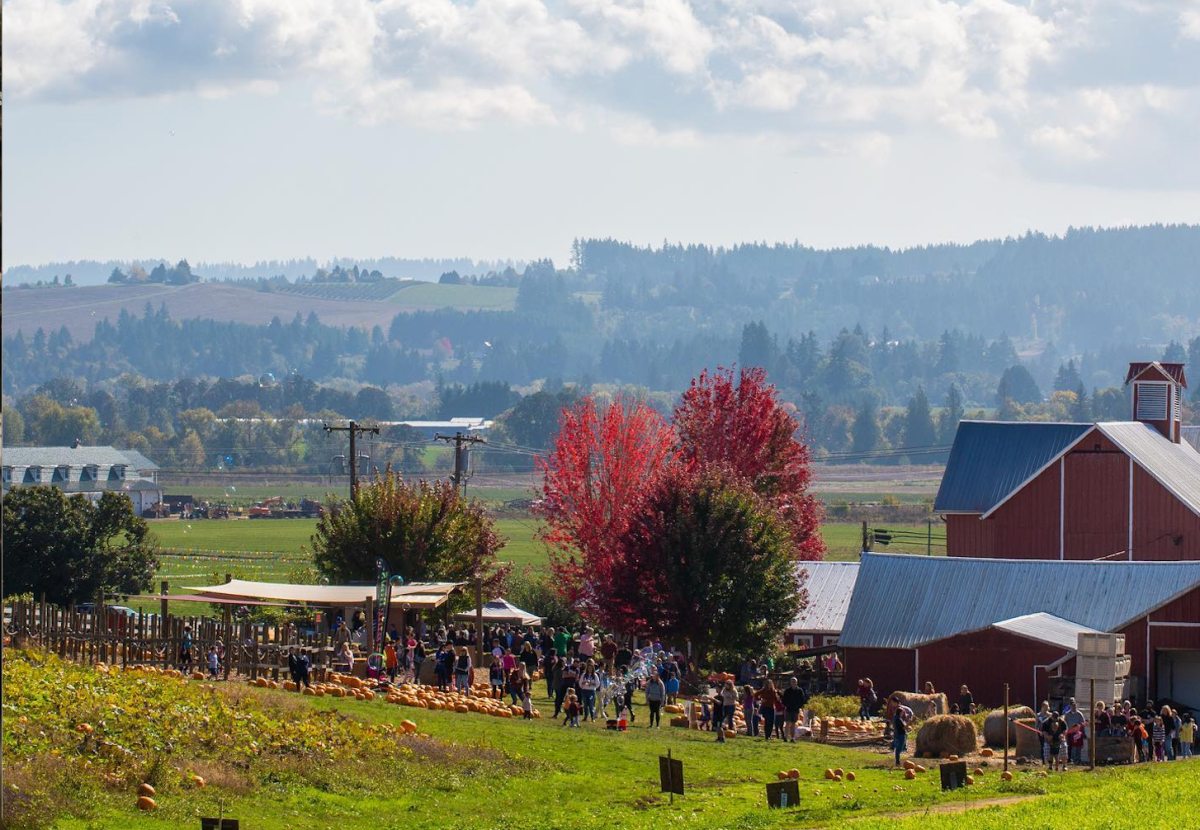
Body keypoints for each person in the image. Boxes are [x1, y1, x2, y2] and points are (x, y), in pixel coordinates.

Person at [782, 676, 807, 743]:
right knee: (787, 723)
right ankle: (785, 737)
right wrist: (786, 705)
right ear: (790, 683)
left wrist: (799, 706)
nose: (794, 683)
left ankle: (792, 738)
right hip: (789, 709)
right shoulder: (787, 691)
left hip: (795, 710)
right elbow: (784, 700)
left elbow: (803, 700)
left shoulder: (799, 690)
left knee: (793, 724)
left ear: (797, 682)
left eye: (795, 682)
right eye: (793, 682)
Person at [890, 694, 913, 765]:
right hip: (900, 730)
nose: (891, 704)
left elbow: (907, 714)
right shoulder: (897, 716)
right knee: (900, 740)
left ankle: (895, 746)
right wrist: (907, 724)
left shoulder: (900, 708)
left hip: (901, 724)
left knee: (898, 738)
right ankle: (897, 748)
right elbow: (903, 726)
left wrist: (907, 720)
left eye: (892, 702)